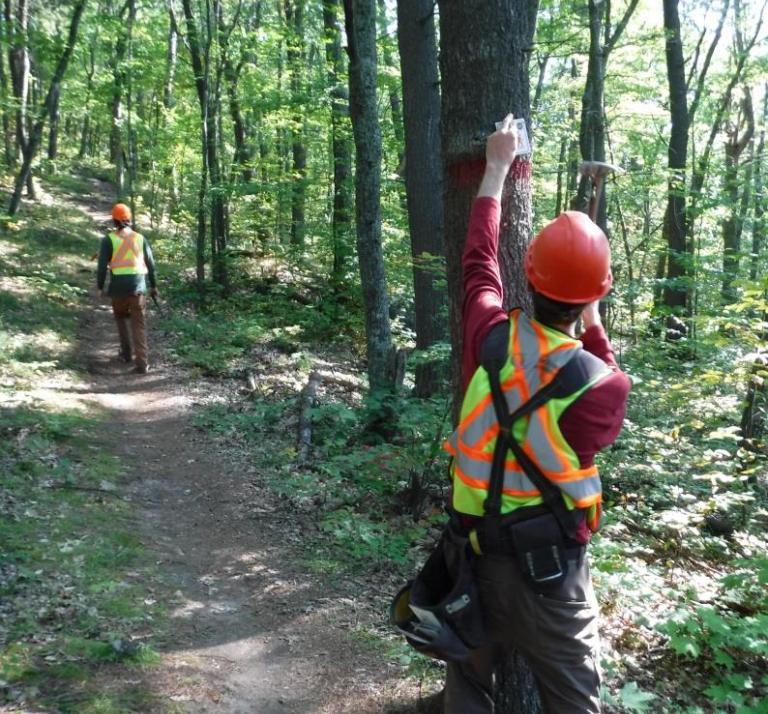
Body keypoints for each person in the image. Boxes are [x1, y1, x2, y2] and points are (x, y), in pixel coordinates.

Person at [441, 114, 631, 713]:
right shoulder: (601, 385)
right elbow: (603, 379)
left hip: (471, 559)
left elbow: (479, 263)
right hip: (550, 581)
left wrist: (496, 168)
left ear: (530, 275)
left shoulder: (489, 335)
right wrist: (593, 320)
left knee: (468, 690)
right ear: (598, 293)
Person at [97, 203, 158, 374]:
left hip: (118, 288)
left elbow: (101, 267)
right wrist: (153, 286)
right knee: (139, 325)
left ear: (114, 220)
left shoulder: (108, 240)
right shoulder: (140, 238)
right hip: (138, 287)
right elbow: (151, 264)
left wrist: (100, 287)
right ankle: (142, 363)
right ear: (129, 219)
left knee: (121, 317)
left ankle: (125, 354)